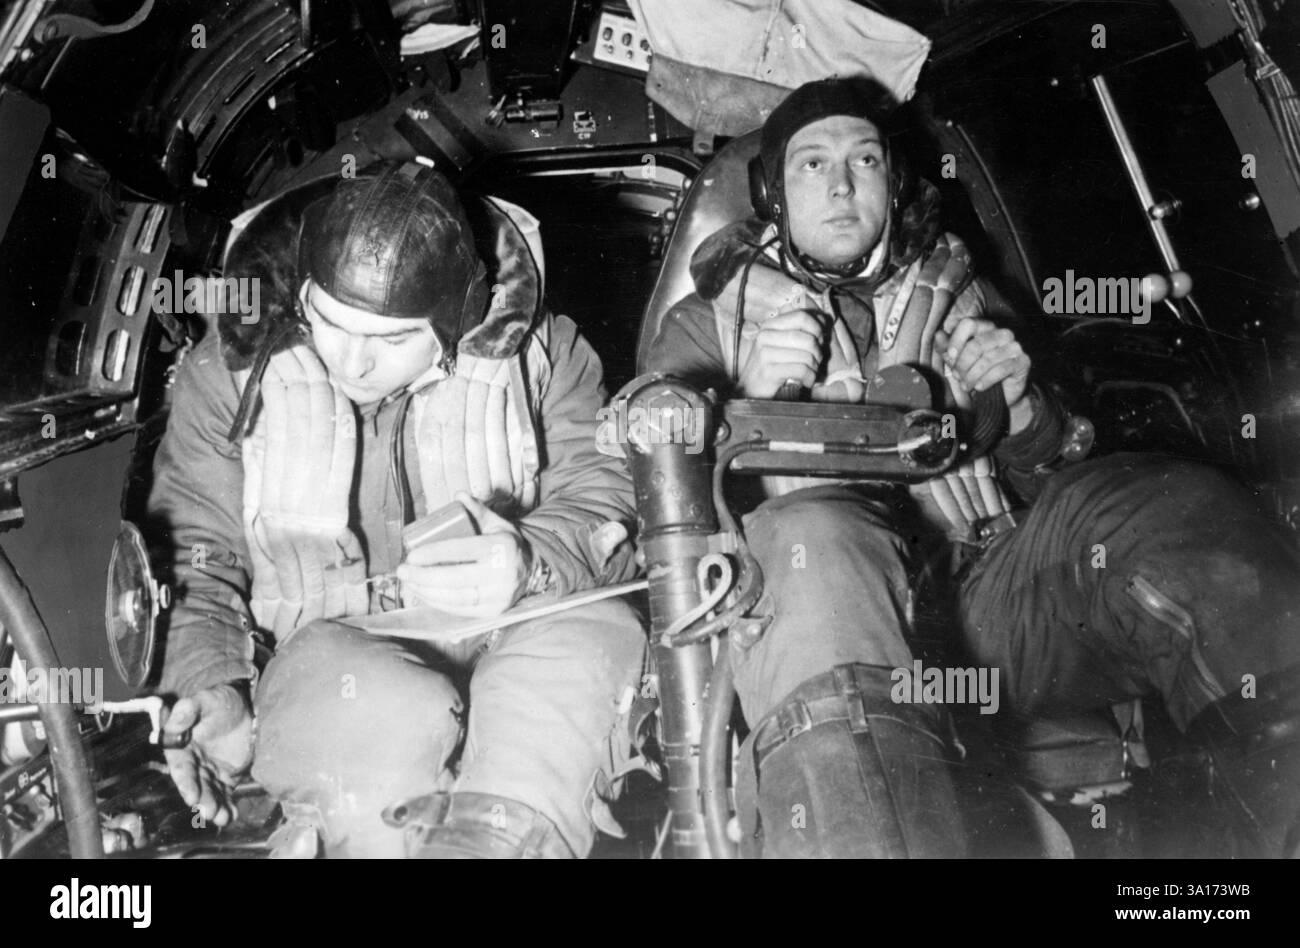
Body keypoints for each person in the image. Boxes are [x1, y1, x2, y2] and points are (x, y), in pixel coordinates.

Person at [645, 76, 1300, 858]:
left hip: (985, 613)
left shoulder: (961, 297)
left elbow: (1059, 495)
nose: (844, 183)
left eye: (865, 160)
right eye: (812, 164)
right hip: (821, 611)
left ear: (894, 182)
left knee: (1156, 503)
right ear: (773, 194)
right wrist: (745, 405)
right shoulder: (705, 329)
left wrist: (1024, 409)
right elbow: (648, 506)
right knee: (816, 538)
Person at [146, 161, 646, 858]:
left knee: (588, 640)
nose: (352, 364)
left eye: (391, 340)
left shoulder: (544, 353)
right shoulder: (226, 373)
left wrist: (529, 562)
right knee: (381, 714)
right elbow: (193, 547)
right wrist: (211, 679)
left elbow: (606, 501)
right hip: (321, 645)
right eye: (329, 323)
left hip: (515, 620)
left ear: (459, 317)